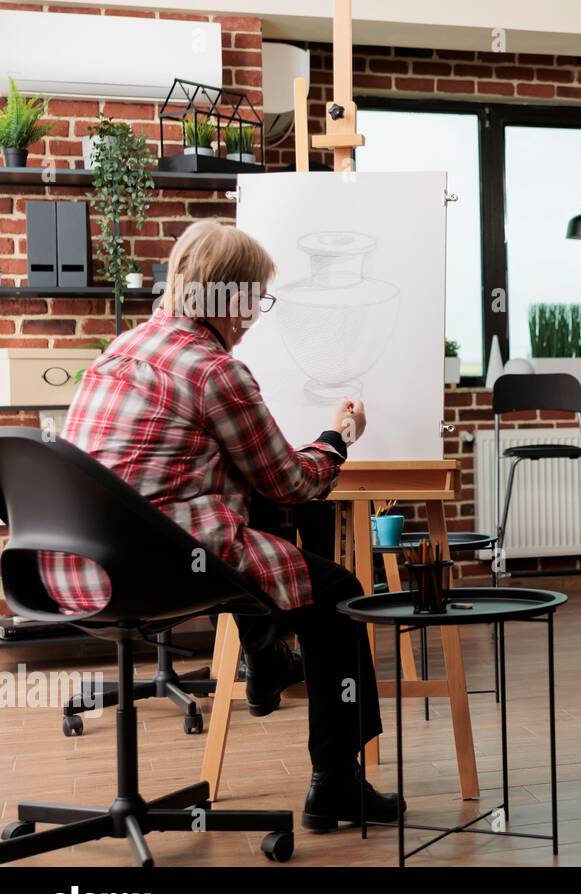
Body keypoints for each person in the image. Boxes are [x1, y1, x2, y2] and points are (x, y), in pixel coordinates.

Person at [37, 220, 400, 832]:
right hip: (149, 568)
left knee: (250, 520)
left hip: (63, 565)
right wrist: (338, 437)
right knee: (339, 594)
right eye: (258, 298)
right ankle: (336, 783)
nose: (258, 313)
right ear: (231, 300)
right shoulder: (214, 371)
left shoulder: (122, 349)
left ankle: (265, 658)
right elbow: (294, 483)